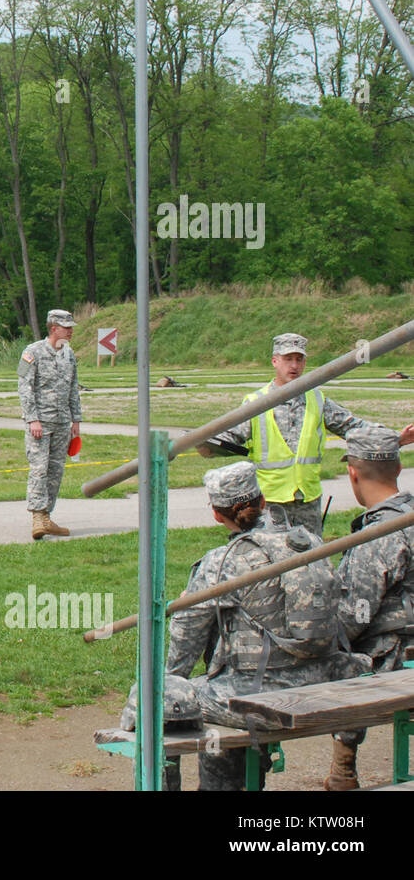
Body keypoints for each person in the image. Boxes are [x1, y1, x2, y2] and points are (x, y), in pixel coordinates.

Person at [164, 461, 368, 790]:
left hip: (262, 693)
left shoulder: (222, 561)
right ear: (262, 501)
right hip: (325, 679)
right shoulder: (310, 541)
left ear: (217, 514)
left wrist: (171, 682)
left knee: (159, 701)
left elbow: (186, 636)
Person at [209, 332, 414, 536]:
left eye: (299, 359)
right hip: (270, 502)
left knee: (312, 558)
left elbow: (354, 427)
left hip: (308, 501)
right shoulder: (256, 402)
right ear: (274, 361)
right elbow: (224, 439)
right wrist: (202, 444)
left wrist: (396, 438)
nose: (294, 366)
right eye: (288, 359)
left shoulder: (317, 399)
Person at [327, 426, 414, 790]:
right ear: (397, 468)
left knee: (337, 654)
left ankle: (343, 769)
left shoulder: (377, 536)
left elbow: (353, 617)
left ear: (353, 472)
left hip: (396, 654)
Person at [17, 309, 82, 539]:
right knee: (39, 469)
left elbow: (74, 387)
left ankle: (47, 515)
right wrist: (32, 418)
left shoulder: (69, 354)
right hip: (40, 423)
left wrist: (76, 420)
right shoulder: (31, 352)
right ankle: (37, 517)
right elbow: (24, 387)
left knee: (56, 471)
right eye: (67, 327)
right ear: (54, 328)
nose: (71, 331)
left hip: (63, 422)